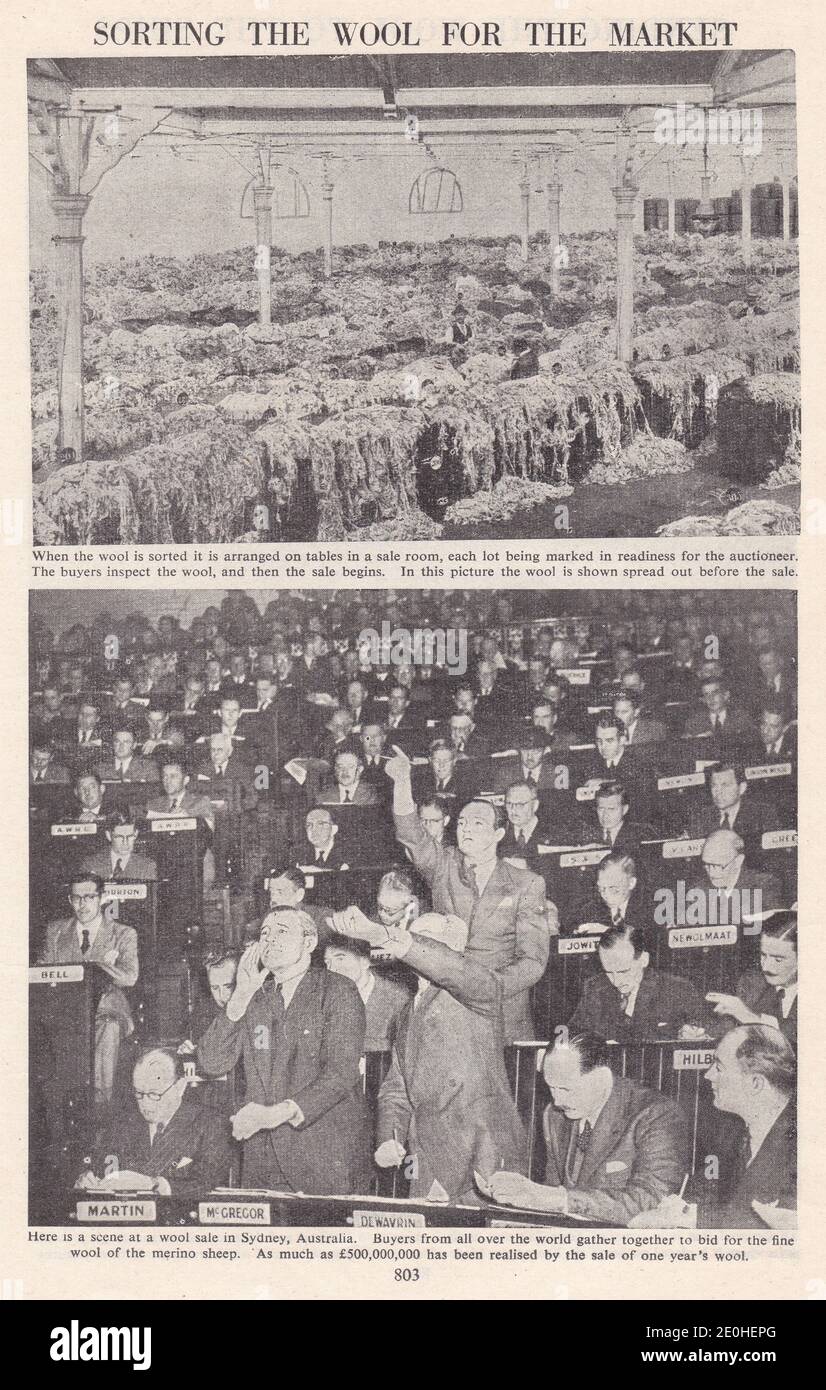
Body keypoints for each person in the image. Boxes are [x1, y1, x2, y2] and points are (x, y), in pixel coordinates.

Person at [332, 903, 527, 1203]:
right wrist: (389, 1138)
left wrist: (379, 933)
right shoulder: (406, 1013)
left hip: (482, 1161)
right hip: (428, 1160)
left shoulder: (478, 991)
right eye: (412, 937)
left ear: (455, 948)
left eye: (424, 939)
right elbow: (397, 1090)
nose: (410, 945)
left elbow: (451, 967)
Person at [197, 908, 371, 1194]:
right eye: (264, 933)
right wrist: (240, 995)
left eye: (282, 931)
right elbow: (212, 1062)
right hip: (262, 1161)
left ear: (309, 942)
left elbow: (340, 1074)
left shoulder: (337, 990)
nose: (270, 940)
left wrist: (276, 1114)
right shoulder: (254, 997)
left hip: (322, 1158)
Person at [389, 744, 549, 1041]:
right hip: (449, 1008)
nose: (466, 829)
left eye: (477, 823)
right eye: (461, 823)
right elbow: (412, 835)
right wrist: (401, 781)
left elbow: (533, 961)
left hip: (503, 1014)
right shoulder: (444, 864)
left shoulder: (527, 883)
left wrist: (488, 987)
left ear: (499, 834)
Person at [487, 1032, 689, 1224]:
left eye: (566, 1088)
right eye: (551, 1088)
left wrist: (559, 1199)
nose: (558, 1100)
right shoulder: (555, 1116)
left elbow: (653, 1199)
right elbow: (552, 1188)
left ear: (601, 1077)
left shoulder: (656, 1114)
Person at [630, 1025, 796, 1229]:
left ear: (756, 1083)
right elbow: (706, 1184)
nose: (708, 1075)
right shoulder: (727, 1132)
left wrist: (694, 1218)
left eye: (718, 1068)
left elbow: (789, 1221)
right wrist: (680, 1206)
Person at [75, 1047, 232, 1196]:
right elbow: (100, 1167)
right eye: (139, 1093)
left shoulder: (210, 1124)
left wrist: (155, 1185)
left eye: (154, 1094)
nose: (146, 1104)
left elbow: (209, 1182)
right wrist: (86, 1180)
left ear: (180, 1086)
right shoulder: (122, 1123)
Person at [39, 873, 139, 1106]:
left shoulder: (123, 933)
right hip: (64, 1011)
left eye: (89, 897)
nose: (82, 904)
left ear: (102, 898)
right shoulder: (55, 932)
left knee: (109, 1028)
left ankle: (99, 1106)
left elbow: (130, 976)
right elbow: (42, 973)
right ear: (70, 900)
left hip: (106, 1012)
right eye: (76, 898)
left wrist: (95, 967)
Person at [567, 926, 711, 1042]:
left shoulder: (677, 989)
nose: (617, 982)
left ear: (643, 960)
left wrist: (692, 1035)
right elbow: (575, 1034)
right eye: (609, 972)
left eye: (624, 971)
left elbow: (704, 1029)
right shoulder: (594, 988)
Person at [707, 911, 798, 1046]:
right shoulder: (752, 983)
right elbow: (727, 1030)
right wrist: (705, 1033)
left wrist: (749, 1017)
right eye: (763, 955)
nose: (766, 966)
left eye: (778, 960)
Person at [324, 935, 411, 1052]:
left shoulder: (397, 998)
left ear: (365, 961)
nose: (331, 969)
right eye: (327, 962)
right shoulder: (323, 996)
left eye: (340, 959)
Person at [81, 817, 158, 882]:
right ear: (108, 835)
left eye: (130, 836)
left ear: (136, 834)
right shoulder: (91, 864)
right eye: (119, 837)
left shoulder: (147, 866)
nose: (125, 842)